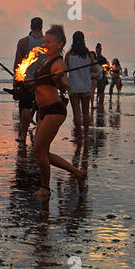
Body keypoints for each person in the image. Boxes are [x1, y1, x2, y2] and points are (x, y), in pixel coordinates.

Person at [28, 25, 87, 196]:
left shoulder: (58, 64)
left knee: (39, 151)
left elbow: (65, 87)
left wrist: (59, 79)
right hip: (43, 111)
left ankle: (45, 188)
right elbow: (40, 84)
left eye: (48, 42)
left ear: (60, 44)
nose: (44, 44)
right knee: (42, 152)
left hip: (54, 110)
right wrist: (26, 83)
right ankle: (78, 173)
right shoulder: (45, 61)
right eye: (44, 41)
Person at [14, 18, 43, 142]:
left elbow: (17, 63)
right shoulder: (48, 42)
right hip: (42, 81)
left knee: (25, 107)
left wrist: (15, 81)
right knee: (40, 108)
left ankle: (23, 135)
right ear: (41, 26)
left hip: (26, 81)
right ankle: (38, 136)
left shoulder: (23, 42)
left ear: (31, 26)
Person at [64, 30, 96, 134]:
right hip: (86, 87)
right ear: (83, 40)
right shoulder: (89, 55)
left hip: (73, 87)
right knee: (86, 113)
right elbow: (94, 69)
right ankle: (86, 135)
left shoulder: (69, 55)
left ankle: (79, 136)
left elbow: (65, 70)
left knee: (76, 113)